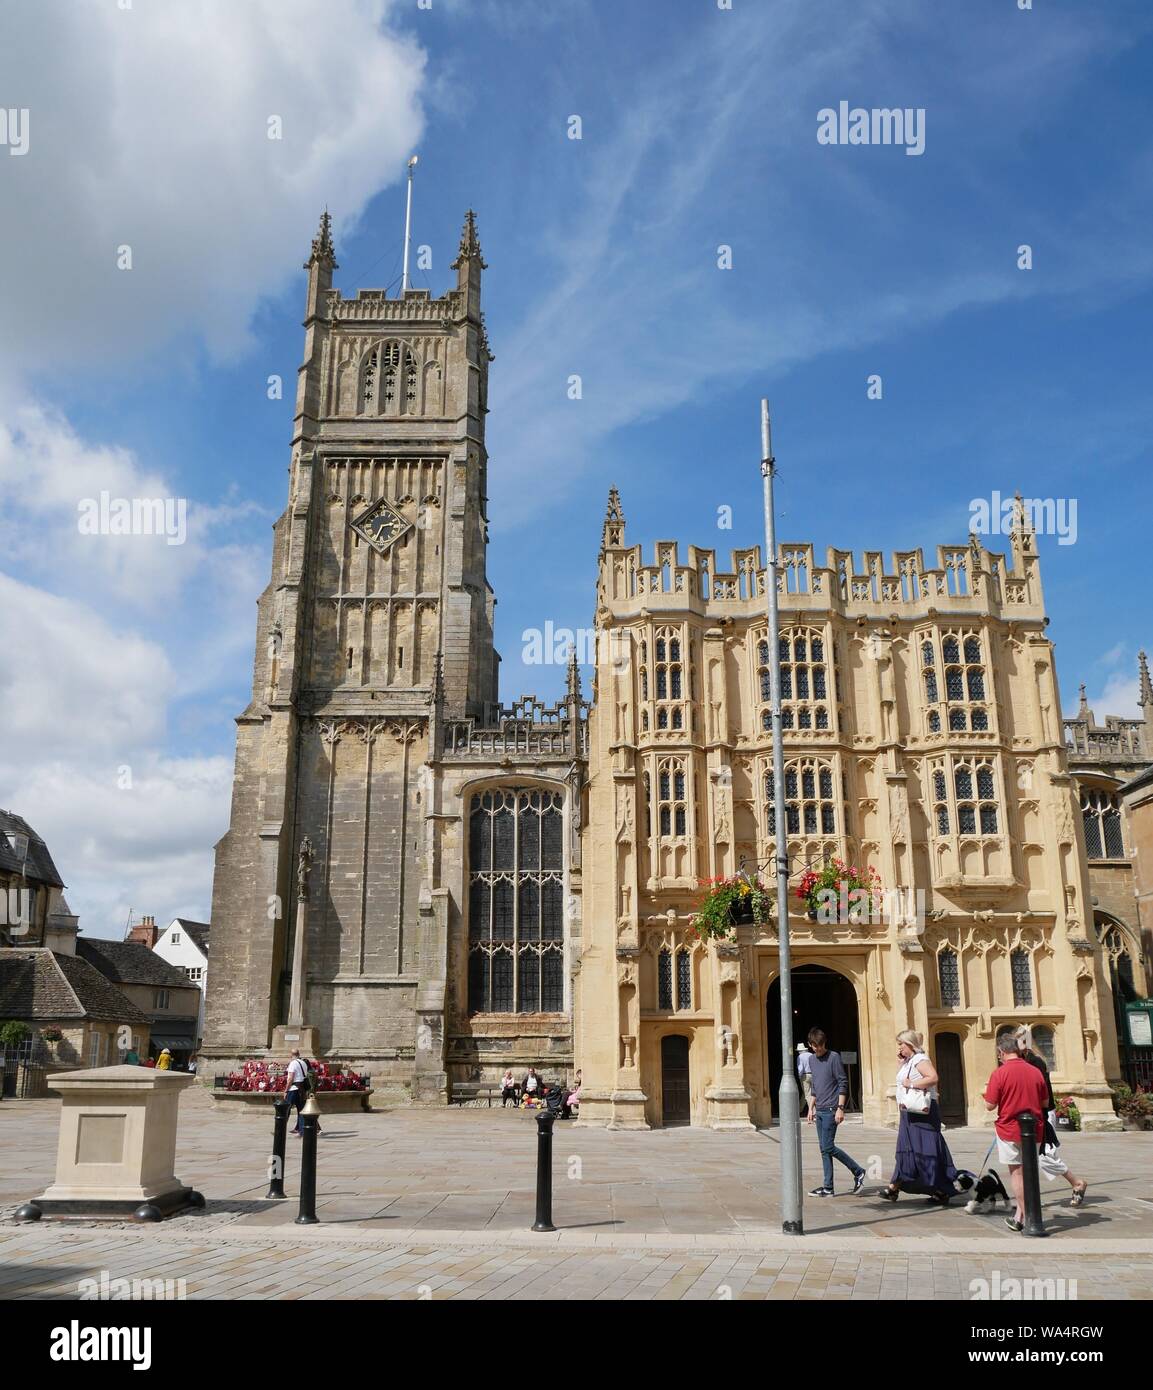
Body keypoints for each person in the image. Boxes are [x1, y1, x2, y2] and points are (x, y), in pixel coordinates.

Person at [878, 1030, 963, 1205]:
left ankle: (938, 1189)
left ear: (910, 1044)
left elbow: (933, 1077)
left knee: (926, 1151)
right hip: (909, 1112)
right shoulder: (909, 1061)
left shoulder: (920, 1060)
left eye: (901, 1043)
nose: (899, 1047)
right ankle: (896, 1187)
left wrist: (913, 1084)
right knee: (908, 1150)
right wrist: (901, 1063)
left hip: (922, 1113)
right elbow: (902, 1081)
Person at [983, 1027, 1050, 1232]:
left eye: (999, 1055)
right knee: (1030, 1173)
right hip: (1034, 1128)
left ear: (1002, 1052)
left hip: (1009, 1129)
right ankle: (1021, 1215)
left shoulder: (999, 1073)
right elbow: (1045, 1101)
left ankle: (1027, 1216)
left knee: (1017, 1174)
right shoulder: (1035, 1071)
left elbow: (990, 1105)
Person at [1015, 1024, 1088, 1207]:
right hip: (1030, 1115)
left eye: (1020, 1041)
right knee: (1030, 1157)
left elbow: (1039, 1092)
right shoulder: (1024, 1061)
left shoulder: (1035, 1062)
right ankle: (1029, 1199)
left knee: (1045, 1155)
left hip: (1042, 1113)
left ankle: (1076, 1182)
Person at [805, 1028, 866, 1196]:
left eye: (821, 1045)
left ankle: (858, 1171)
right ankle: (828, 1187)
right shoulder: (811, 1059)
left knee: (828, 1147)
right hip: (820, 1109)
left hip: (832, 1109)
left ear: (825, 1043)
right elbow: (815, 1086)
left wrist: (840, 1108)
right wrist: (811, 1108)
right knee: (824, 1149)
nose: (819, 1048)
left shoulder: (834, 1057)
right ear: (810, 1045)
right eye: (815, 1046)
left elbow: (842, 1082)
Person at [284, 1049, 320, 1136]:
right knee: (301, 1110)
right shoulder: (303, 1063)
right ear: (298, 1054)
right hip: (302, 1089)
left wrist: (286, 1090)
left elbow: (290, 1078)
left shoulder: (292, 1063)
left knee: (285, 1109)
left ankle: (280, 1128)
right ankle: (302, 1131)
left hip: (293, 1088)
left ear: (291, 1055)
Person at [796, 1042, 814, 1116]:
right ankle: (799, 1109)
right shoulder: (811, 1055)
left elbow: (800, 1068)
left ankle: (813, 1112)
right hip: (813, 1075)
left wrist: (799, 1076)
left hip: (805, 1076)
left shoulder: (800, 1057)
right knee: (810, 1093)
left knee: (807, 1095)